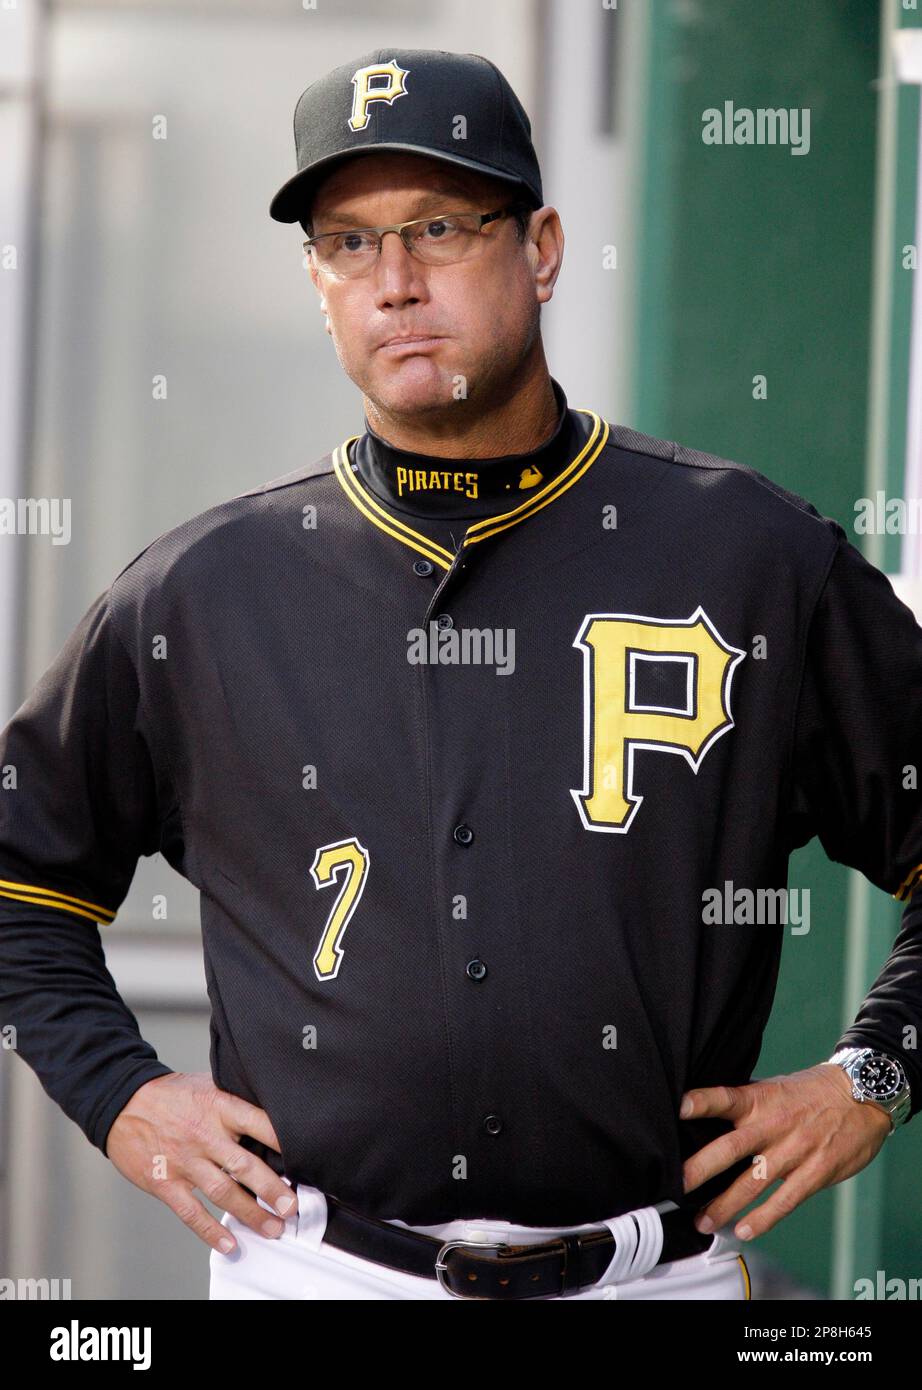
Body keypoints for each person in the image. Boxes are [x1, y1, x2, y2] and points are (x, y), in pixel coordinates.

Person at [1, 47, 920, 1302]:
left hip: (653, 1277)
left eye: (438, 226)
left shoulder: (753, 555)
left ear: (541, 246)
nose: (394, 283)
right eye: (347, 244)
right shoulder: (198, 593)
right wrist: (121, 1094)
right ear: (315, 281)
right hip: (316, 1271)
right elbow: (19, 882)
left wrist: (873, 1075)